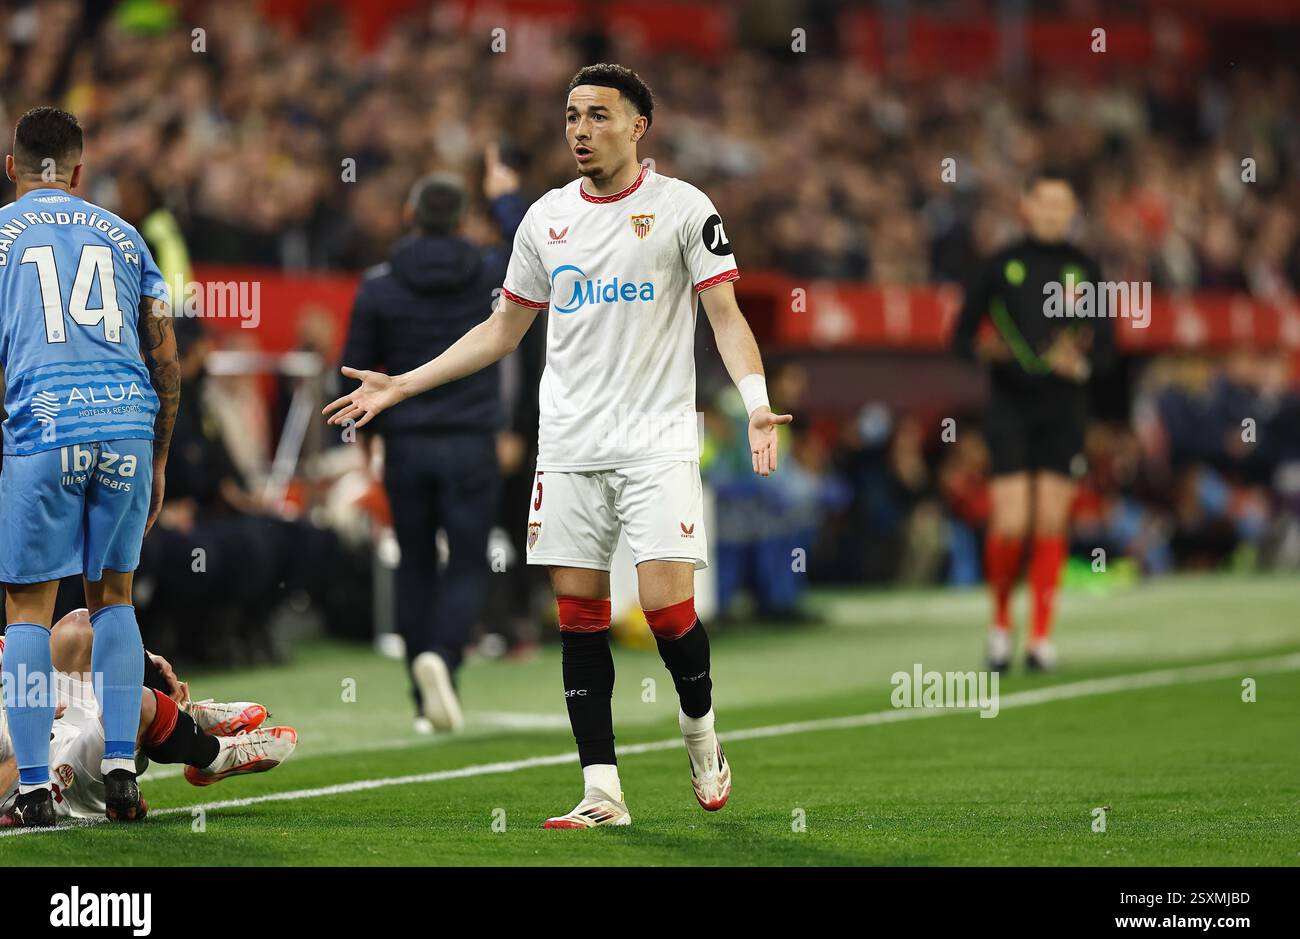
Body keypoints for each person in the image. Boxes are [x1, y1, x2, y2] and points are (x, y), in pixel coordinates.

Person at [325, 63, 790, 828]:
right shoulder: (544, 219)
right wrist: (403, 384)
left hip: (656, 443)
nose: (581, 129)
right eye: (572, 115)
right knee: (580, 614)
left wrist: (757, 403)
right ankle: (602, 790)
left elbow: (726, 316)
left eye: (599, 116)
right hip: (569, 447)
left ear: (638, 126)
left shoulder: (683, 209)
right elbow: (501, 332)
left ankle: (701, 734)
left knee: (669, 609)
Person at [0, 107, 180, 826]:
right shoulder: (126, 235)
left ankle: (36, 788)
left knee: (27, 611)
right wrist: (159, 454)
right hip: (125, 425)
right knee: (113, 601)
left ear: (13, 167)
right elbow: (164, 356)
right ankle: (120, 779)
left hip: (43, 424)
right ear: (78, 174)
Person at [340, 146, 525, 733]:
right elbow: (536, 248)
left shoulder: (379, 287)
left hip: (408, 443)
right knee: (468, 561)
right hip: (473, 442)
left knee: (415, 562)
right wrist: (505, 194)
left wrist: (362, 439)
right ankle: (443, 659)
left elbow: (352, 371)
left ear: (408, 216)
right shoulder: (492, 270)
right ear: (464, 218)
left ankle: (423, 695)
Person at [951, 169, 1114, 672]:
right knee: (1011, 522)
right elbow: (958, 337)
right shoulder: (1001, 264)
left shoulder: (1086, 269)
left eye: (1061, 205)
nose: (1051, 213)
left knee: (1049, 522)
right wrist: (986, 350)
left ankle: (1040, 639)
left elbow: (1108, 349)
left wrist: (1081, 364)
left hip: (1064, 410)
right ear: (1026, 206)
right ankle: (1001, 627)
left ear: (1072, 212)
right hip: (1010, 408)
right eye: (1043, 203)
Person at [0, 609, 297, 825]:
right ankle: (213, 757)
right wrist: (33, 726)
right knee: (137, 702)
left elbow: (22, 655)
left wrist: (142, 659)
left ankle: (183, 711)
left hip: (57, 719)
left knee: (82, 626)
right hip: (46, 775)